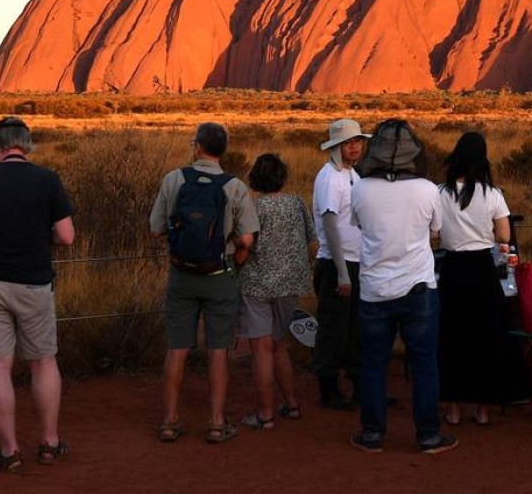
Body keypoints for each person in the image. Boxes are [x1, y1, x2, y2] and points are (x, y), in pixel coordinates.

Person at [0, 117, 76, 473]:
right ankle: (49, 443)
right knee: (43, 362)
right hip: (34, 283)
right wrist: (39, 237)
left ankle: (9, 451)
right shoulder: (47, 179)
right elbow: (67, 236)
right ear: (27, 145)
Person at [348, 119, 457, 454]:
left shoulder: (360, 188)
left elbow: (359, 225)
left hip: (374, 290)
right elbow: (436, 231)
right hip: (418, 288)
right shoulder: (428, 189)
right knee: (424, 364)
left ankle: (371, 434)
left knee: (373, 364)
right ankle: (428, 435)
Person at [148, 122, 259, 444]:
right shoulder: (234, 187)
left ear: (197, 146)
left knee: (177, 348)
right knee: (218, 350)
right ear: (223, 150)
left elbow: (155, 229)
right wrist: (234, 252)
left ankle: (169, 422)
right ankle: (216, 423)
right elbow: (247, 240)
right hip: (219, 276)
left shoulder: (174, 179)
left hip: (181, 275)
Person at [436, 131, 530, 426]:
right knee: (485, 336)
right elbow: (504, 235)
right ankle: (482, 408)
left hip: (452, 269)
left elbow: (434, 233)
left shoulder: (441, 193)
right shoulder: (493, 194)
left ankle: (453, 408)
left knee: (451, 336)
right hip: (481, 269)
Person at [237, 153, 313, 430]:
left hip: (257, 284)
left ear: (255, 178)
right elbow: (311, 241)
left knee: (261, 349)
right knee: (278, 343)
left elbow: (245, 245)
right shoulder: (297, 203)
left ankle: (265, 414)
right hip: (290, 284)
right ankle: (291, 404)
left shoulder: (253, 208)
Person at [311, 119, 370, 410]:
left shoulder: (352, 174)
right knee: (334, 329)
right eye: (348, 143)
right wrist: (343, 273)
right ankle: (328, 390)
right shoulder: (330, 178)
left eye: (357, 141)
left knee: (355, 329)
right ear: (335, 147)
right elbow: (330, 224)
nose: (355, 146)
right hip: (337, 263)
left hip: (355, 261)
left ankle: (360, 387)